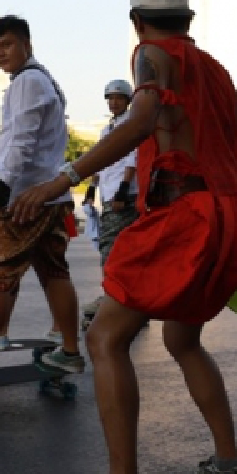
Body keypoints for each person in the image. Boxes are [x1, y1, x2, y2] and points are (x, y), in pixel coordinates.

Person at [11, 0, 237, 474]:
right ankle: (228, 462)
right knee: (183, 338)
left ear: (137, 20)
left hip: (185, 214)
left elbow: (143, 118)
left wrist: (63, 179)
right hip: (230, 216)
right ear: (190, 20)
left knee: (105, 337)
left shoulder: (150, 54)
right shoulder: (217, 72)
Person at [0, 15, 85, 386]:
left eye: (7, 45)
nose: (0, 53)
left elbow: (20, 141)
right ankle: (69, 352)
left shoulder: (26, 82)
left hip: (21, 198)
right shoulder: (46, 81)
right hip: (51, 196)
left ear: (27, 44)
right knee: (54, 272)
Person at [81, 79, 139, 328]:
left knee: (109, 249)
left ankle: (113, 300)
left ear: (127, 101)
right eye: (111, 98)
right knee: (118, 249)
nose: (114, 102)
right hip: (108, 195)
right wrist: (91, 189)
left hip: (122, 197)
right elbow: (101, 161)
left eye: (119, 98)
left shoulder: (130, 126)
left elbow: (132, 160)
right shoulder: (108, 130)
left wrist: (123, 191)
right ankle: (127, 302)